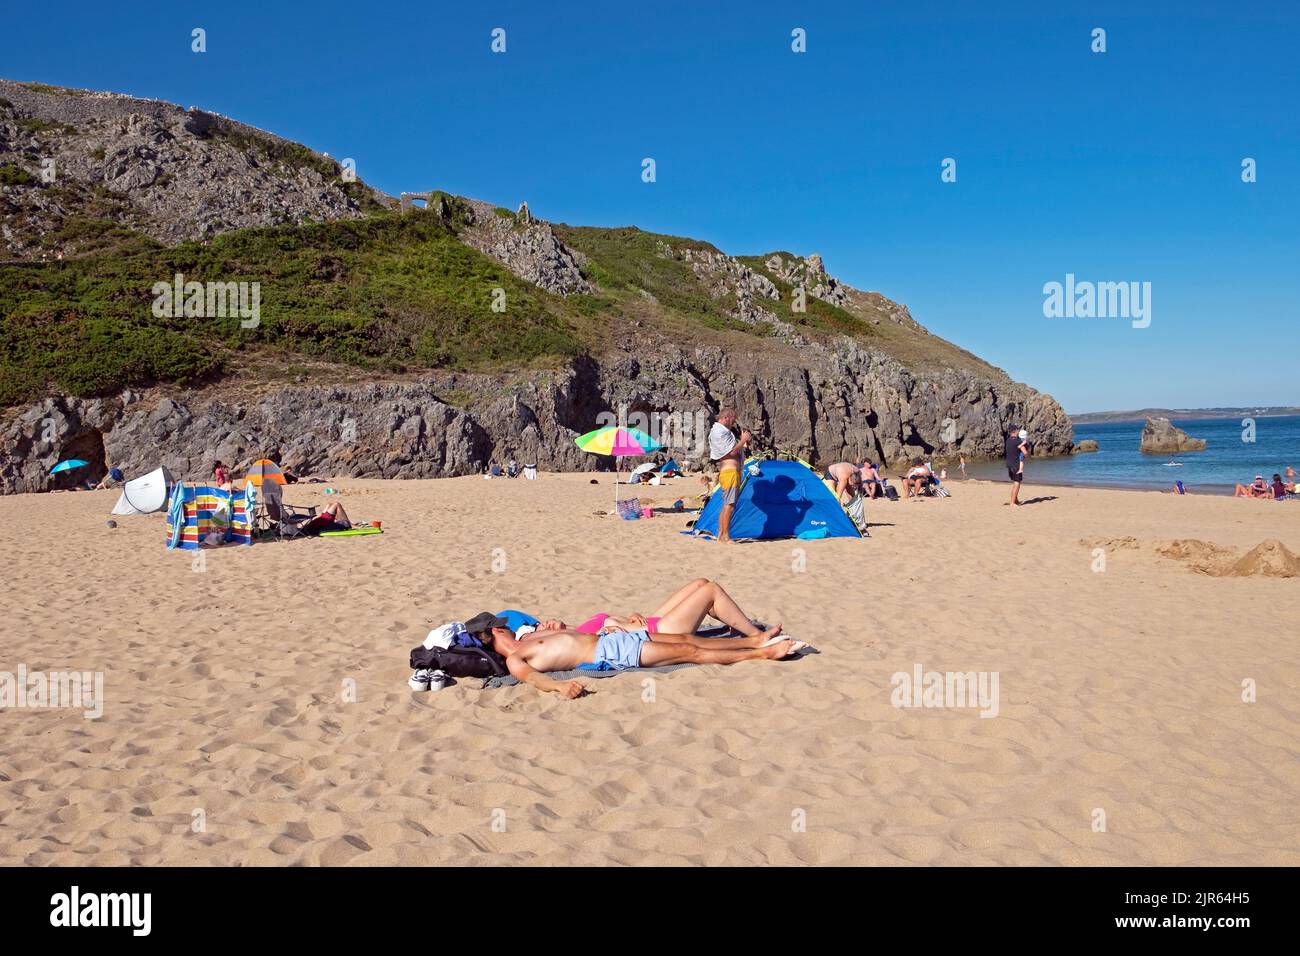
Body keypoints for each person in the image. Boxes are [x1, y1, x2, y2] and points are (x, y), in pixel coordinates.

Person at [504, 622, 802, 698]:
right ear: (493, 634)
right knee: (690, 655)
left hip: (611, 640)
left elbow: (578, 632)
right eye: (500, 627)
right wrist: (558, 687)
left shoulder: (530, 635)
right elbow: (532, 678)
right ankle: (762, 654)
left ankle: (753, 640)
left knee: (687, 639)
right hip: (610, 654)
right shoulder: (516, 658)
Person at [708, 407, 751, 543]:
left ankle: (721, 534)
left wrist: (743, 446)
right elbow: (730, 453)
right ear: (726, 417)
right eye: (733, 419)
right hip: (730, 472)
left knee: (727, 504)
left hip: (730, 471)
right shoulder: (719, 432)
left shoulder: (722, 431)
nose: (734, 422)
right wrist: (743, 440)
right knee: (729, 505)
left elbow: (733, 451)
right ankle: (726, 536)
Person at [1005, 425, 1027, 506]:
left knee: (1015, 482)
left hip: (1009, 464)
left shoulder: (1008, 440)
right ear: (1014, 431)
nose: (1018, 431)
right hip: (1016, 465)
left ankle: (1016, 501)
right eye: (1017, 430)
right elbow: (1025, 453)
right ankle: (1012, 502)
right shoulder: (1018, 441)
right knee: (1017, 483)